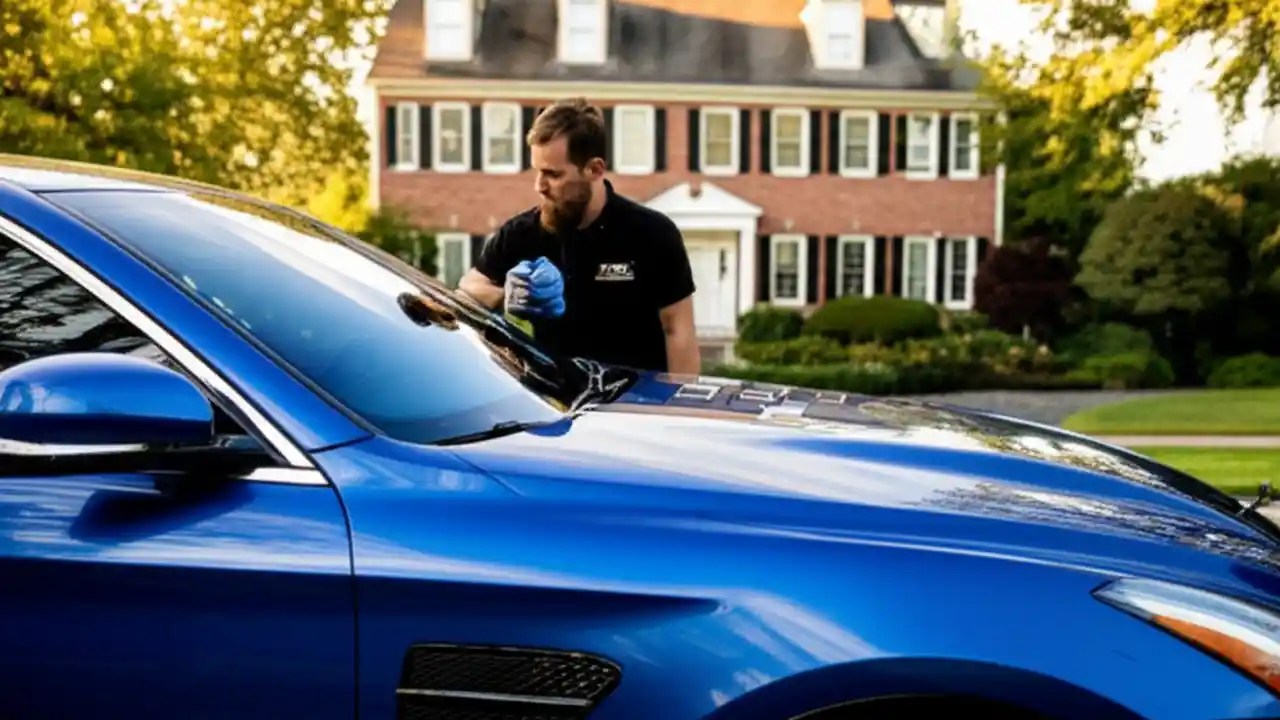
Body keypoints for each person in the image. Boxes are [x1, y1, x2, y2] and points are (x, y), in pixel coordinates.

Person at [458, 98, 701, 375]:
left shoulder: (652, 234)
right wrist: (506, 295)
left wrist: (679, 408)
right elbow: (465, 294)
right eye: (537, 171)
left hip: (632, 404)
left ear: (595, 169)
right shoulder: (521, 234)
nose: (539, 186)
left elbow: (678, 330)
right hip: (556, 404)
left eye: (553, 174)